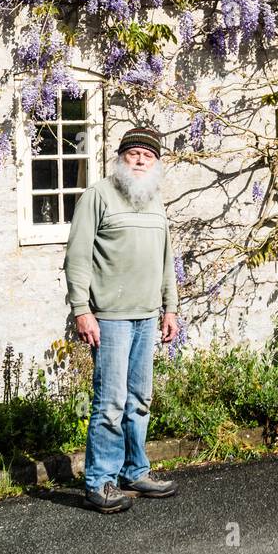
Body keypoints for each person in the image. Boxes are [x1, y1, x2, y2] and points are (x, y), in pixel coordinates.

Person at [64, 125, 181, 513]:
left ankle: (135, 471)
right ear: (121, 158)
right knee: (110, 402)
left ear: (156, 163)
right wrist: (82, 309)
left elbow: (166, 260)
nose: (141, 160)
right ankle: (100, 481)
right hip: (110, 318)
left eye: (148, 155)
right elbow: (77, 257)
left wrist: (170, 307)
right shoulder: (97, 196)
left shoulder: (155, 200)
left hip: (148, 316)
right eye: (134, 154)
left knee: (140, 400)